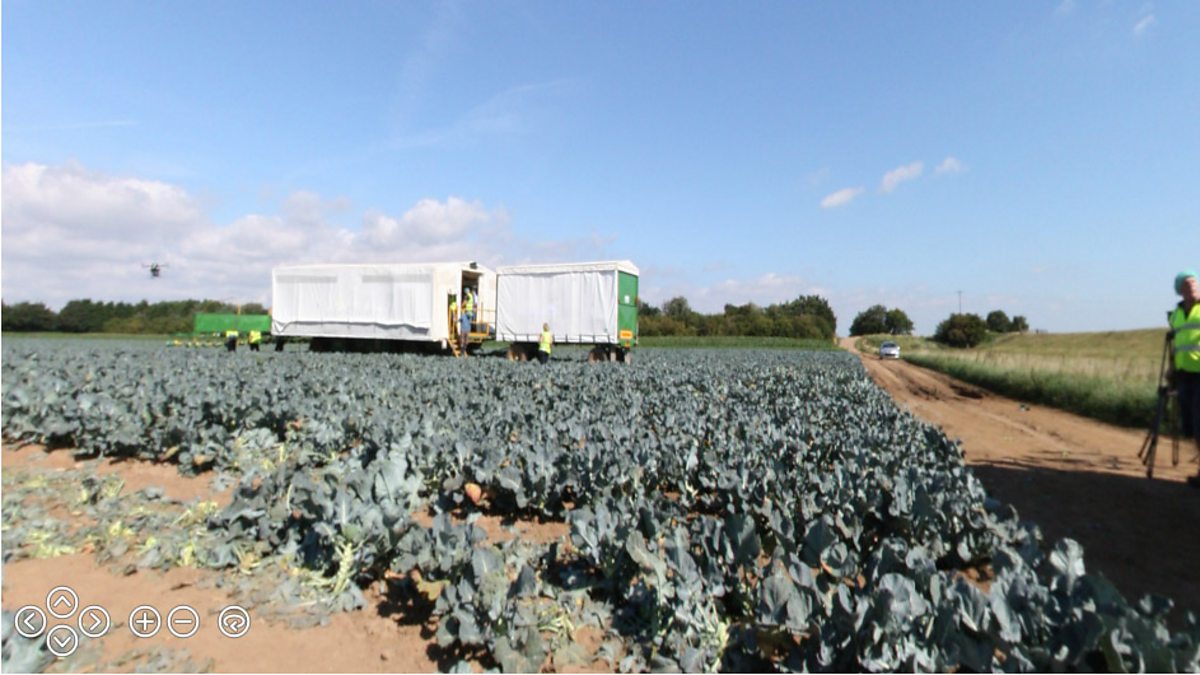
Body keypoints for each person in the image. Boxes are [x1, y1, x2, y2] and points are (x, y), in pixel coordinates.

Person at [1169, 270, 1200, 488]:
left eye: (1195, 283)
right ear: (1180, 290)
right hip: (1183, 375)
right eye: (1187, 285)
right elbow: (1176, 344)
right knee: (1190, 423)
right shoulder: (1176, 315)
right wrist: (1171, 369)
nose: (1192, 287)